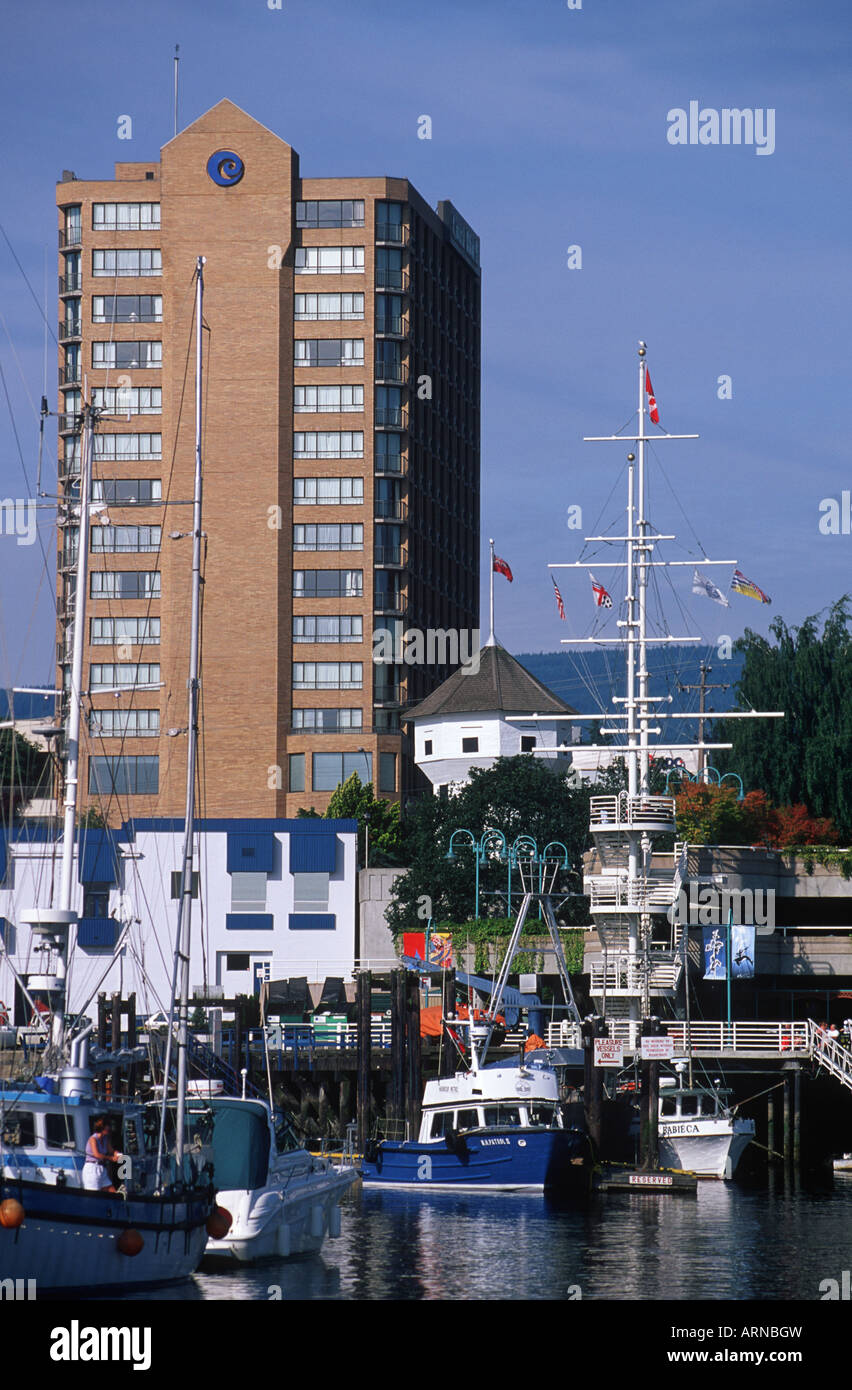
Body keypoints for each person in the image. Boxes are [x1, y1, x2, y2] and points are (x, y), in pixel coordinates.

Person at [82, 1116, 124, 1193]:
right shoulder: (93, 1139)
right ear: (102, 1127)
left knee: (112, 1191)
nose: (109, 1129)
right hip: (92, 1169)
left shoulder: (106, 1138)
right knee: (94, 1195)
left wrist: (117, 1154)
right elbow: (96, 1154)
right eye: (108, 1127)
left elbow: (111, 1150)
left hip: (102, 1169)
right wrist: (111, 1158)